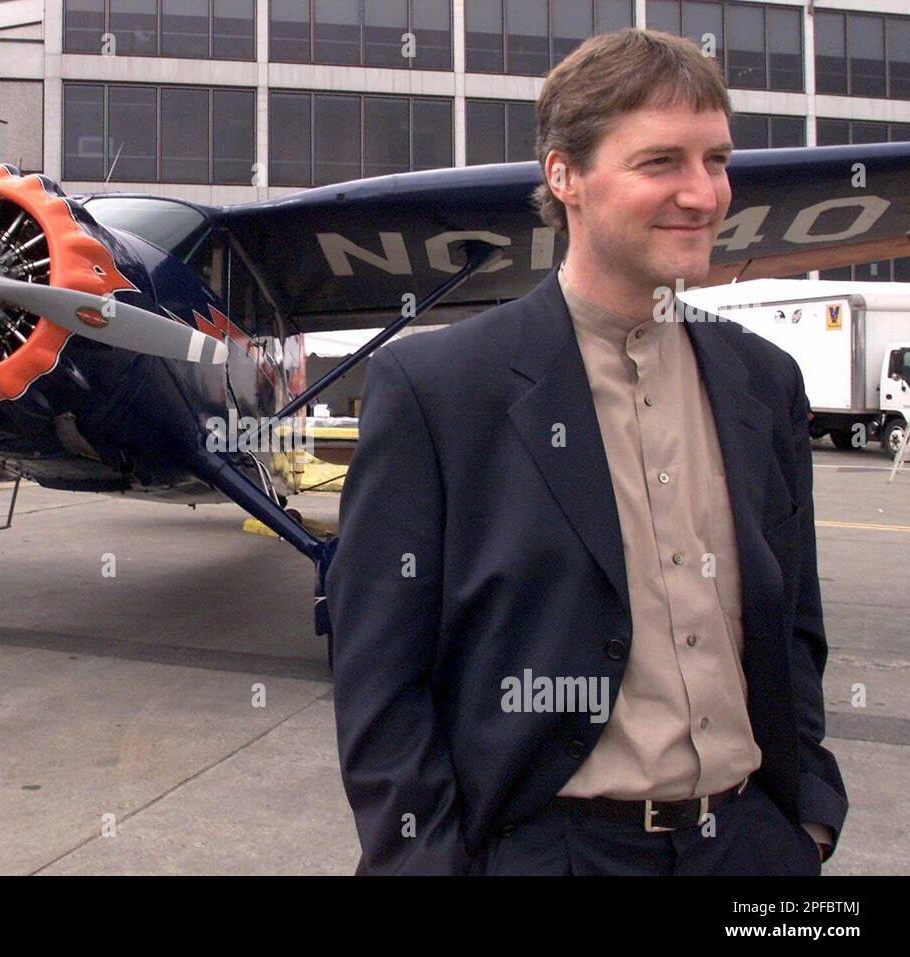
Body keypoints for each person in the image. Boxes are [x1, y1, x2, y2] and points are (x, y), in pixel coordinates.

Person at [326, 28, 846, 875]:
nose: (704, 193)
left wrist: (808, 822)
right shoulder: (437, 387)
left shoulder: (764, 380)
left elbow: (793, 630)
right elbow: (380, 677)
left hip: (752, 848)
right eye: (661, 163)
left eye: (716, 160)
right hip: (556, 851)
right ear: (564, 176)